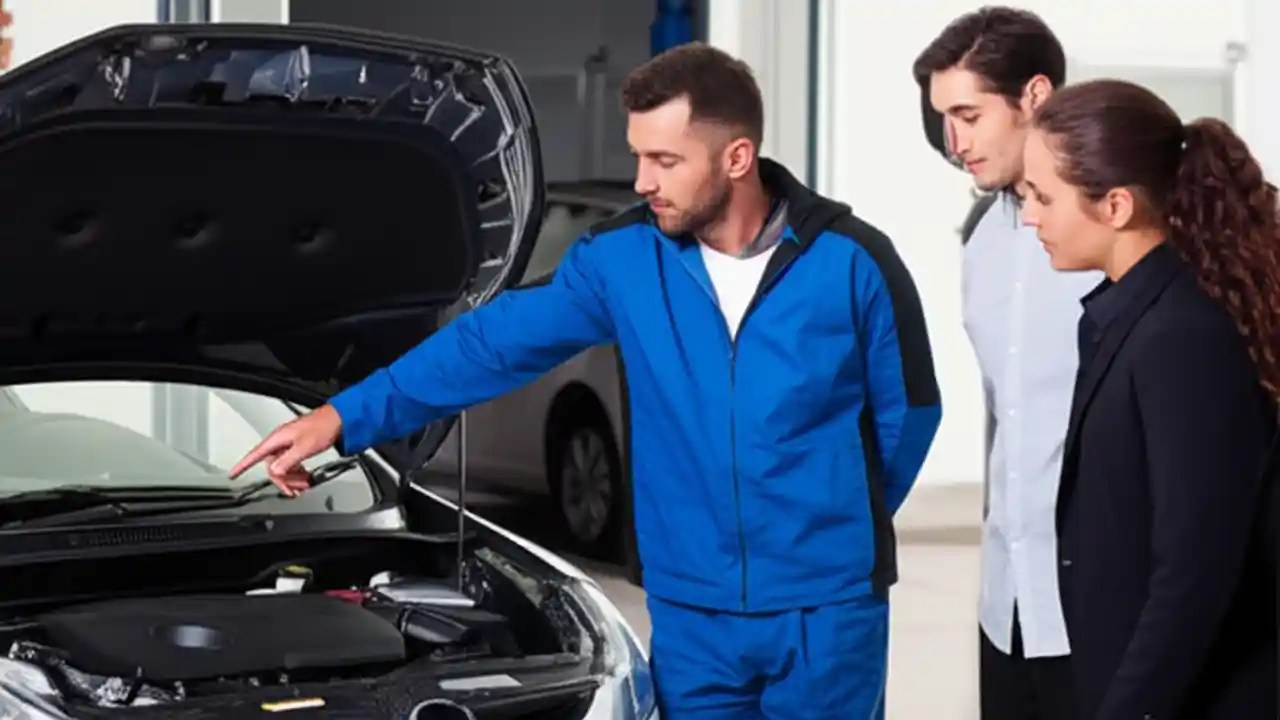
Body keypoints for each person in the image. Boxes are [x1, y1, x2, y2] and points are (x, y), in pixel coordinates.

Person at [229, 42, 942, 719]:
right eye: (638, 156)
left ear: (737, 157)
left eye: (665, 160)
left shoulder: (852, 262)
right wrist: (342, 418)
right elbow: (488, 346)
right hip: (692, 609)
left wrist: (828, 524)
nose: (643, 182)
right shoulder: (621, 259)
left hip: (825, 612)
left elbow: (908, 415)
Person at [1021, 77, 1280, 719]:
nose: (1029, 216)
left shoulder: (1182, 336)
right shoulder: (1121, 316)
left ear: (1115, 206)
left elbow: (1194, 570)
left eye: (1043, 197)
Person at [912, 8, 1098, 718]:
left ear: (1035, 96)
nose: (953, 142)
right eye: (944, 119)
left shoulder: (1120, 233)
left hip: (1103, 603)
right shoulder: (984, 240)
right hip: (1008, 606)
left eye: (969, 115)